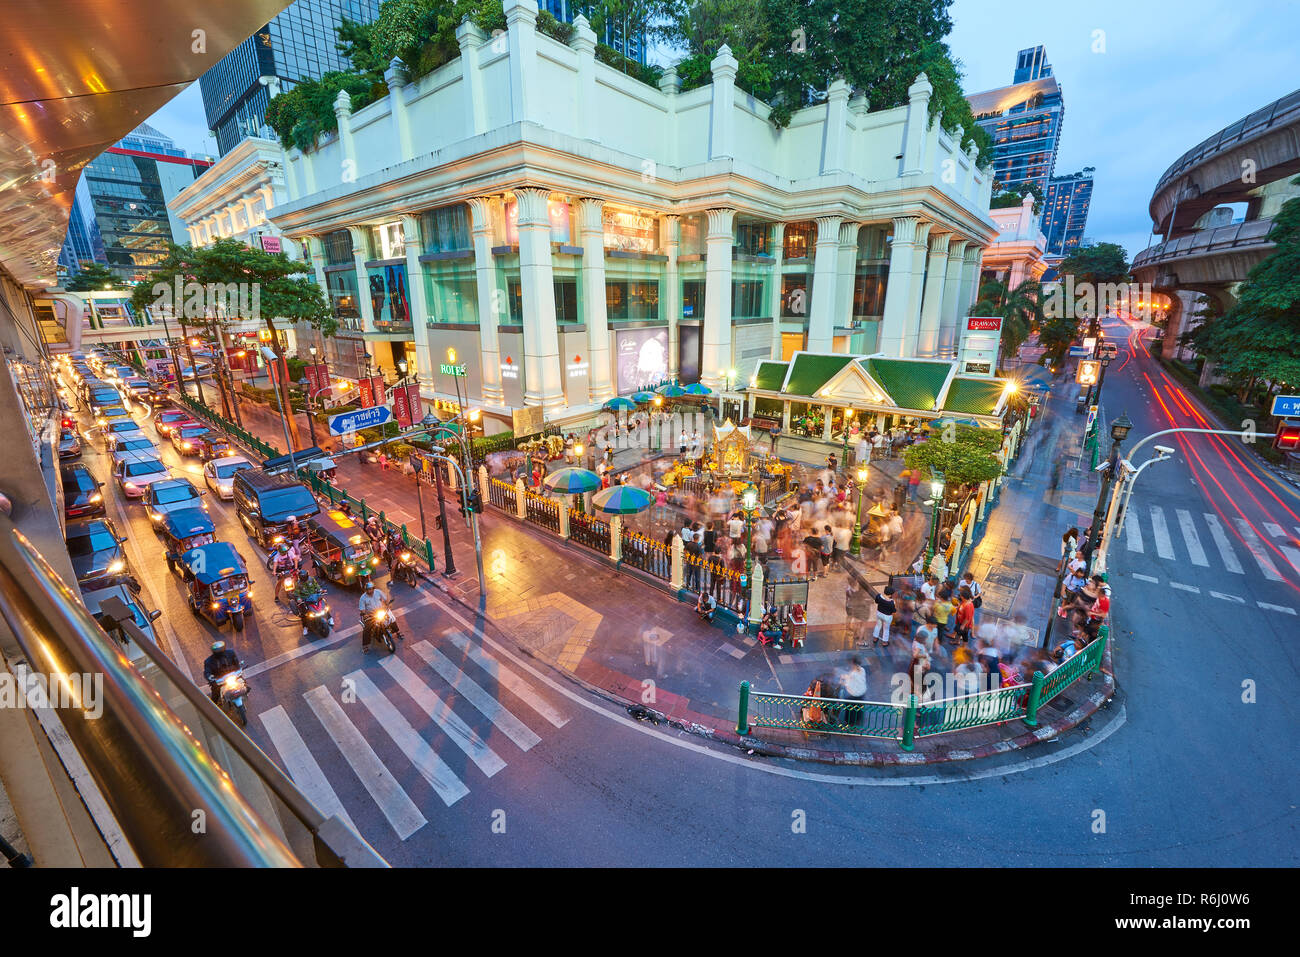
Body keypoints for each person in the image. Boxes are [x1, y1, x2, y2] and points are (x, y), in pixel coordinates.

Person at [358, 575, 391, 652]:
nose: (370, 591)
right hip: (370, 614)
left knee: (390, 618)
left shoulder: (378, 592)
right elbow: (362, 609)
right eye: (368, 589)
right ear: (366, 590)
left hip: (380, 611)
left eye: (371, 589)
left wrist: (387, 605)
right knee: (367, 629)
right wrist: (365, 614)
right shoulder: (363, 598)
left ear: (373, 588)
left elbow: (385, 599)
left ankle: (398, 632)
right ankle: (365, 646)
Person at [203, 640, 242, 705]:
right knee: (215, 692)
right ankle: (214, 705)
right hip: (219, 679)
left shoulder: (231, 653)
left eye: (220, 651)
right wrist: (210, 677)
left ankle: (246, 690)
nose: (219, 654)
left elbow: (236, 663)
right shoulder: (209, 661)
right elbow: (207, 672)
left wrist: (239, 668)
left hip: (232, 675)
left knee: (242, 681)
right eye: (217, 652)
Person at [839, 657, 868, 727]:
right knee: (859, 707)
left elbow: (847, 685)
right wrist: (846, 676)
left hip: (854, 695)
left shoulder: (853, 674)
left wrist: (841, 681)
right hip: (862, 693)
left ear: (853, 664)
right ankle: (858, 719)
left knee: (850, 709)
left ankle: (850, 722)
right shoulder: (862, 670)